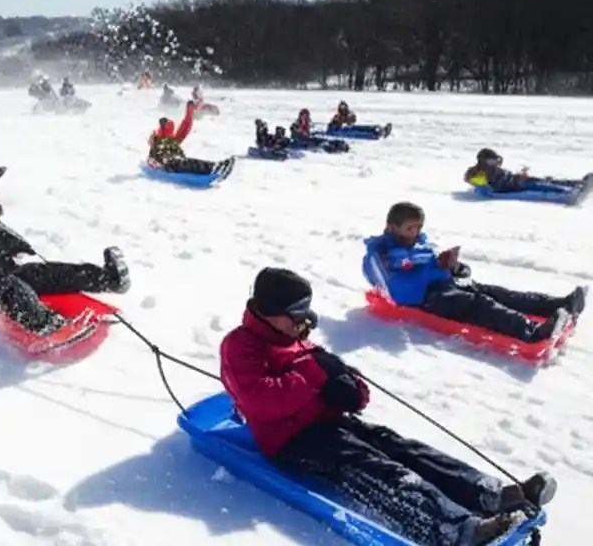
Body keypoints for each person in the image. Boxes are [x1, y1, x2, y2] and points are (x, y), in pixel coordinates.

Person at [221, 267, 556, 546]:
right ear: (268, 312)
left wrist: (350, 387)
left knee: (404, 449)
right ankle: (456, 529)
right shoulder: (240, 346)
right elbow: (258, 400)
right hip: (292, 440)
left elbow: (325, 377)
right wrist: (313, 375)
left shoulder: (291, 337)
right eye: (295, 314)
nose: (301, 322)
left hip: (330, 422)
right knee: (375, 467)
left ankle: (491, 494)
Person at [0, 168, 130, 335]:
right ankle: (46, 324)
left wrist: (19, 246)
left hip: (6, 277)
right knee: (6, 282)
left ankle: (108, 279)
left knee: (42, 271)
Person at [363, 201, 583, 343]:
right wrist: (406, 262)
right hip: (427, 298)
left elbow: (430, 262)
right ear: (392, 226)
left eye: (418, 227)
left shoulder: (420, 243)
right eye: (410, 228)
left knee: (497, 293)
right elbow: (392, 286)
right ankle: (533, 333)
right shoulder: (379, 253)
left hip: (446, 284)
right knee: (481, 305)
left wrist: (454, 266)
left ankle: (556, 304)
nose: (415, 232)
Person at [463, 148, 586, 194]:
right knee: (539, 185)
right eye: (491, 161)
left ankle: (577, 183)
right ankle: (568, 191)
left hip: (514, 180)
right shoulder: (477, 172)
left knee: (544, 180)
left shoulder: (494, 169)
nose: (495, 164)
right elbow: (489, 185)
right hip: (512, 186)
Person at [146, 102, 220, 175]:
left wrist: (189, 109)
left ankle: (213, 168)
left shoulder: (172, 141)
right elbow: (152, 161)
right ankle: (211, 169)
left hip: (177, 163)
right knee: (181, 163)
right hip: (171, 166)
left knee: (188, 162)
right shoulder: (156, 145)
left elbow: (186, 125)